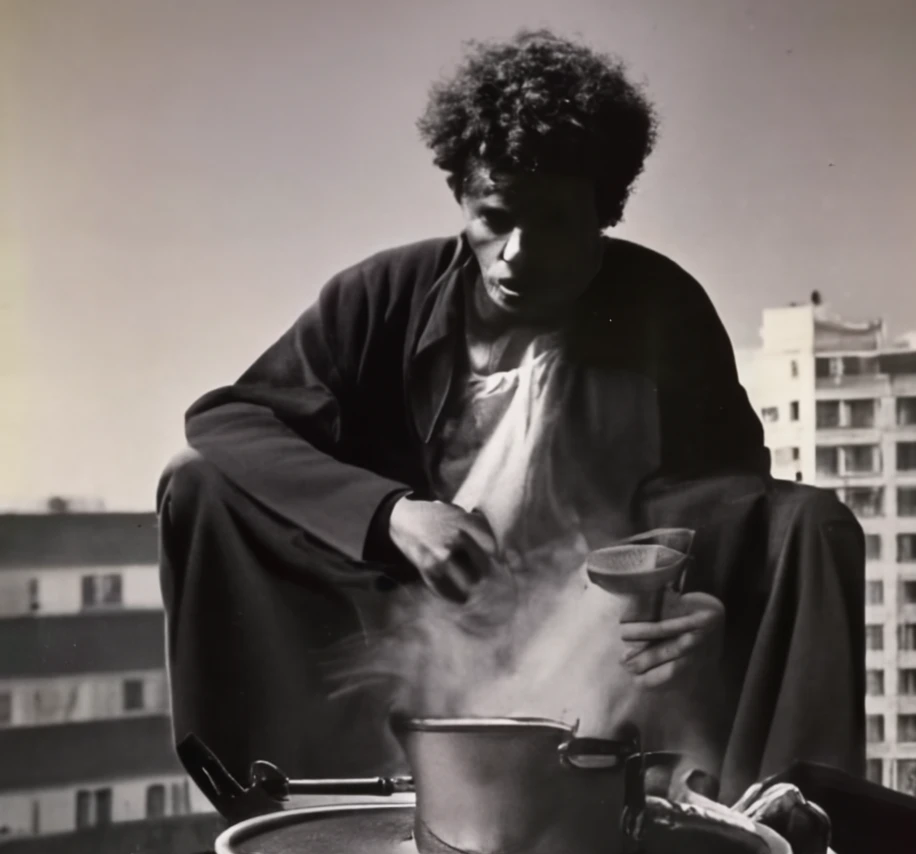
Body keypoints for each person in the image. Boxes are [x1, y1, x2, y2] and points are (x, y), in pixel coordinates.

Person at [158, 29, 865, 802]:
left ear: (605, 212)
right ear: (462, 198)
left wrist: (706, 605)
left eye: (554, 222)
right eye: (496, 217)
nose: (518, 253)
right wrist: (393, 514)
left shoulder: (665, 306)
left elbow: (738, 505)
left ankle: (798, 821)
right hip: (416, 637)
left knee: (815, 525)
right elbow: (226, 420)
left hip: (595, 638)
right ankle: (284, 799)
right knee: (199, 484)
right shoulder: (385, 293)